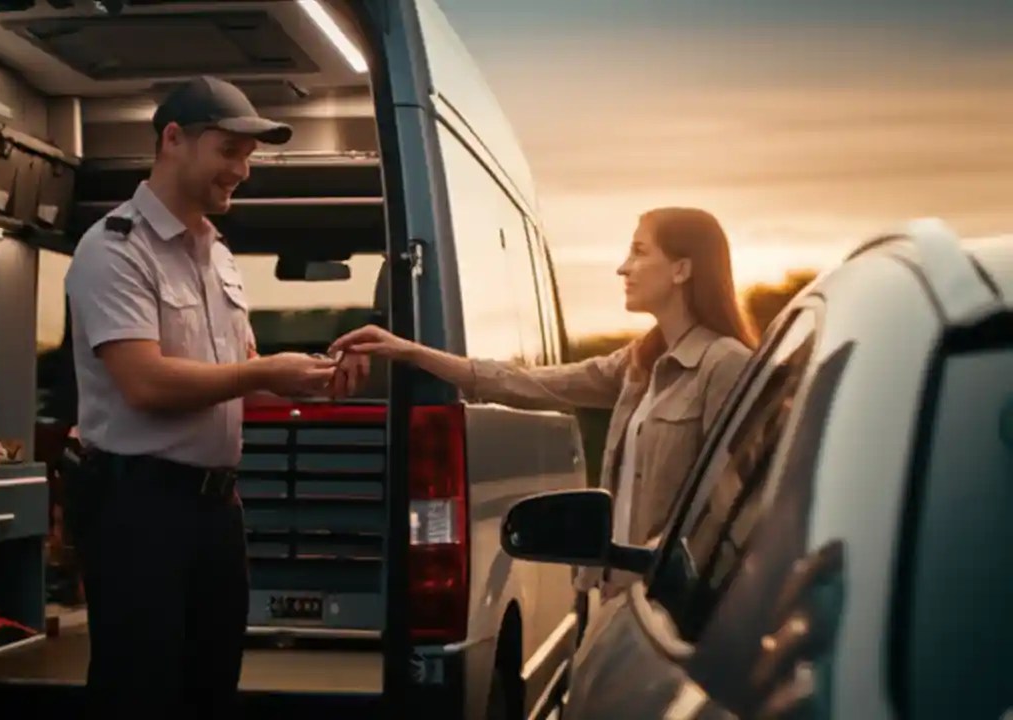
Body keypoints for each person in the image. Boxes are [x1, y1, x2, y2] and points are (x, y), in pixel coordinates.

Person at [64, 75, 368, 719]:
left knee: (210, 689)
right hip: (137, 509)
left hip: (214, 512)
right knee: (138, 693)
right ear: (173, 140)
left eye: (248, 156)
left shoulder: (218, 255)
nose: (243, 171)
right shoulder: (115, 250)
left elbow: (239, 371)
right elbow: (145, 381)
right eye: (229, 150)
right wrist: (262, 375)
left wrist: (310, 378)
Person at [329, 208, 757, 632]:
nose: (623, 268)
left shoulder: (726, 365)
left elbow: (736, 502)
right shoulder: (640, 362)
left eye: (640, 252)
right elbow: (528, 383)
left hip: (675, 614)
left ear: (682, 269)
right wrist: (411, 352)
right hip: (617, 602)